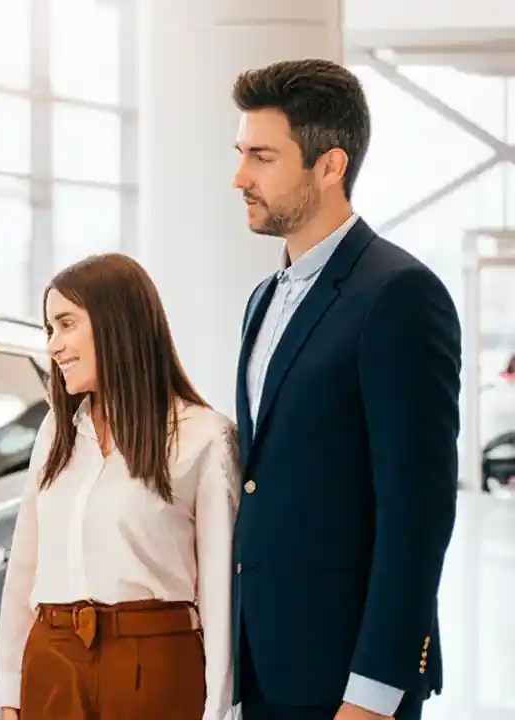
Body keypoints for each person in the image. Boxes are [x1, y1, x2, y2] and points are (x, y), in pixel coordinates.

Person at [230, 59, 461, 720]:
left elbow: (417, 515)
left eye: (263, 157)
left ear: (329, 166)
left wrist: (374, 692)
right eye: (241, 153)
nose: (239, 176)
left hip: (348, 682)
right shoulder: (262, 299)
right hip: (266, 667)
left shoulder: (399, 295)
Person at [0, 254, 240, 720]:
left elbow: (219, 593)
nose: (54, 346)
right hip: (53, 662)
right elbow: (24, 568)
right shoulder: (56, 431)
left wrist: (219, 709)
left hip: (157, 669)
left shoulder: (204, 436)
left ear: (117, 324)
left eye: (66, 324)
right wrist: (9, 694)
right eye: (50, 329)